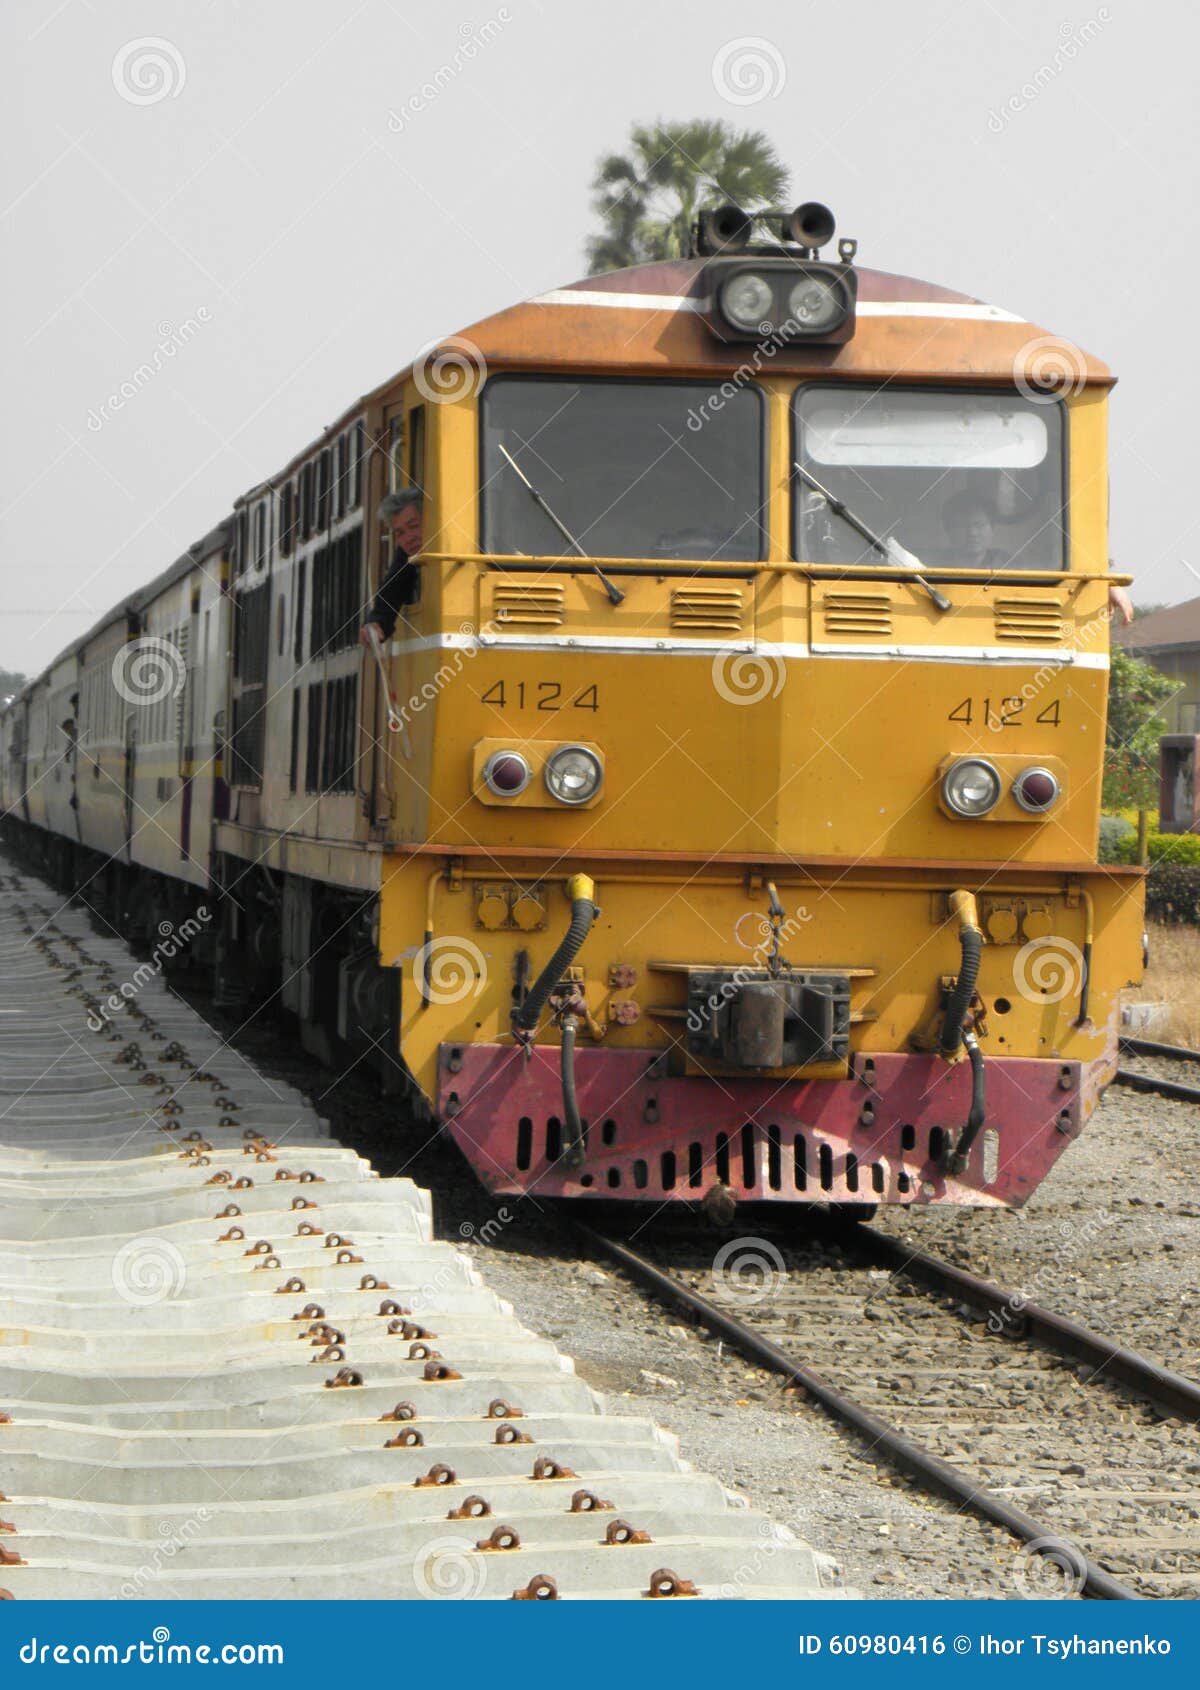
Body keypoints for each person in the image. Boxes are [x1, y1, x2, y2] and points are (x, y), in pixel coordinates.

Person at [359, 488, 423, 646]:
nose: (408, 538)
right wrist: (375, 625)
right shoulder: (405, 557)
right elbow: (391, 593)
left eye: (414, 526)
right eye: (400, 533)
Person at [941, 491, 1010, 569]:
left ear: (992, 529)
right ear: (948, 530)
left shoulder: (1011, 566)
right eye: (963, 525)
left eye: (979, 525)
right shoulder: (931, 566)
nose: (972, 533)